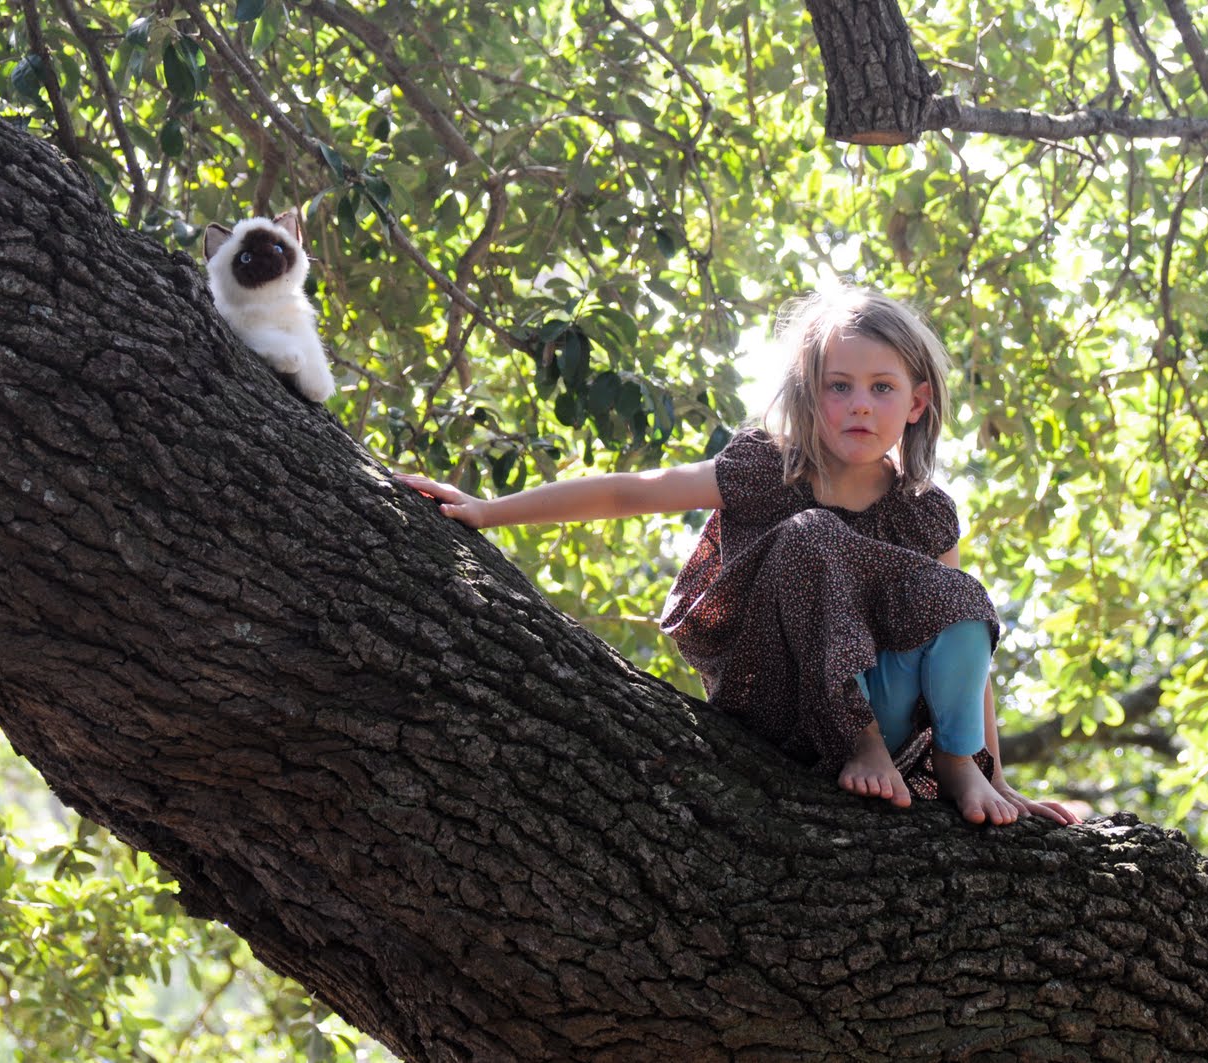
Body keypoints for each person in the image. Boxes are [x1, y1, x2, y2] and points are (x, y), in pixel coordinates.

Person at [397, 288, 1078, 827]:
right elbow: (629, 492)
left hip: (898, 713)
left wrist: (998, 772)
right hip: (787, 700)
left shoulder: (925, 510)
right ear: (812, 394)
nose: (859, 406)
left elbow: (966, 645)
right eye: (839, 386)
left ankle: (958, 768)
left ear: (916, 401)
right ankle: (859, 744)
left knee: (962, 595)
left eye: (881, 388)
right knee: (812, 535)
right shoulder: (767, 469)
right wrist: (487, 510)